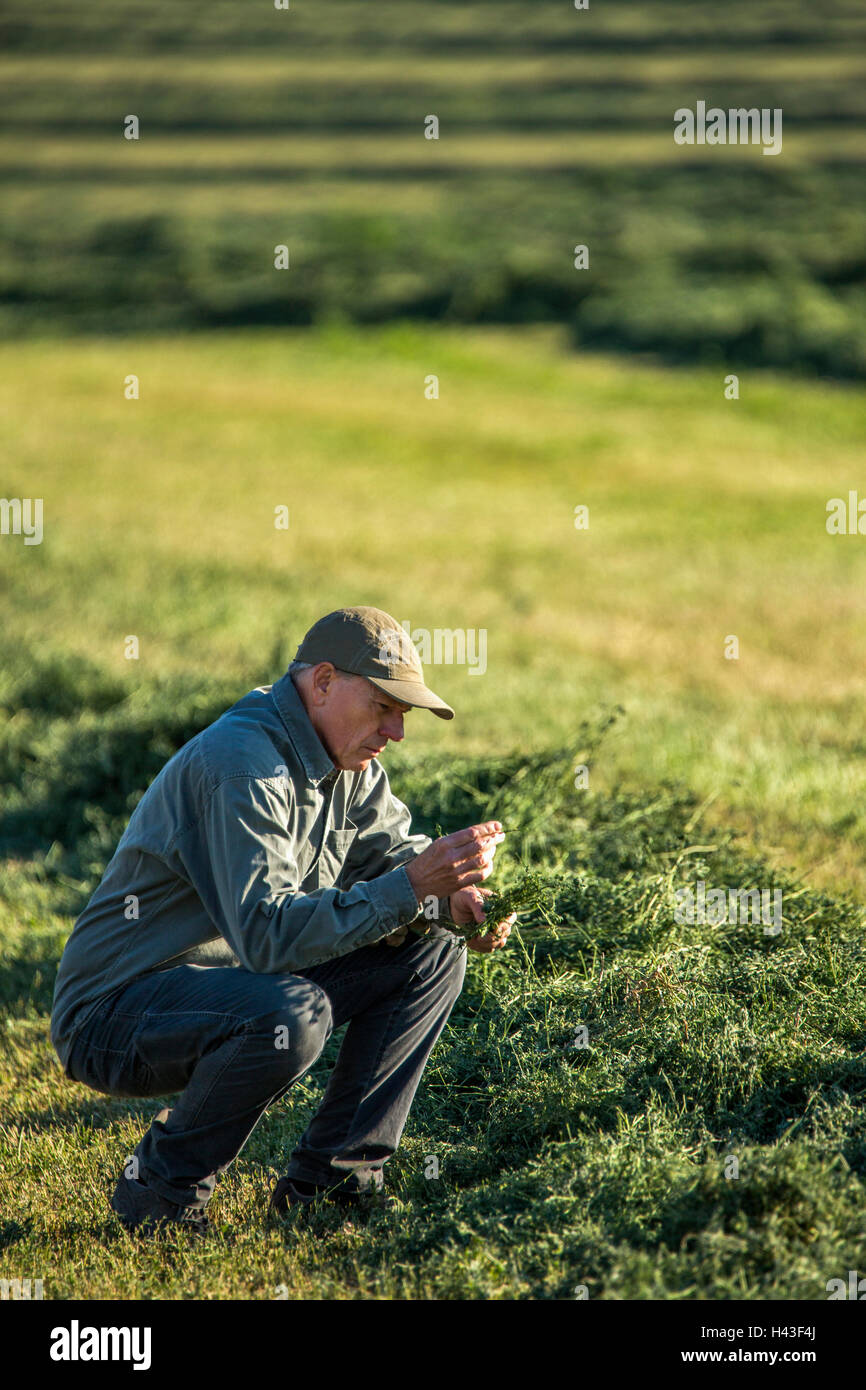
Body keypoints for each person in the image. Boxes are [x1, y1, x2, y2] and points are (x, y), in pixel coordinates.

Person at [49, 605, 514, 1237]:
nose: (397, 732)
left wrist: (447, 902)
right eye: (384, 706)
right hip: (112, 1014)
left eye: (402, 714)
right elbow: (269, 938)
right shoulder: (243, 765)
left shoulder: (348, 764)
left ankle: (333, 1187)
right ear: (322, 682)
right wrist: (410, 887)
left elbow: (390, 857)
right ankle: (160, 1191)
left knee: (433, 946)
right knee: (291, 1015)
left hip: (227, 987)